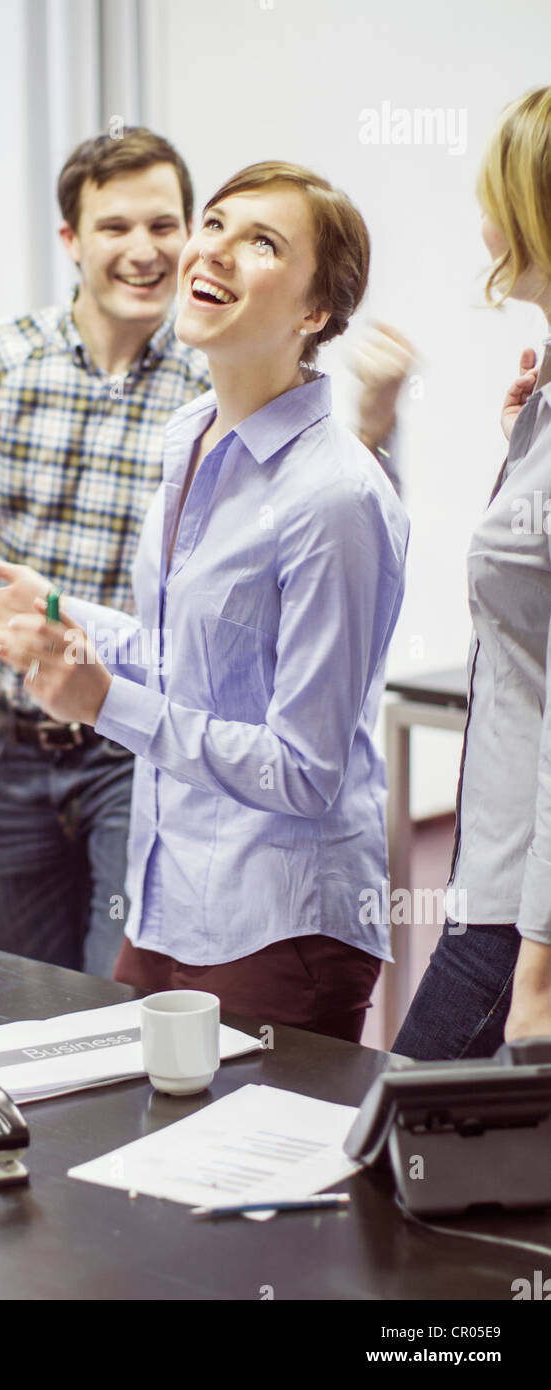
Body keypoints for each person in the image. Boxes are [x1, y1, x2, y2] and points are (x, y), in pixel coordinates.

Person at [0, 127, 409, 981]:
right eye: (116, 228)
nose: (150, 251)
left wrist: (376, 426)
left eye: (168, 225)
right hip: (26, 749)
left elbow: (333, 526)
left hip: (139, 752)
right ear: (71, 241)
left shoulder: (221, 375)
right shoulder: (7, 372)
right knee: (19, 1004)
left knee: (116, 1025)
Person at [0, 160, 410, 1042]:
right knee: (119, 1150)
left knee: (251, 1175)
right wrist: (64, 613)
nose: (215, 251)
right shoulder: (189, 437)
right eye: (217, 223)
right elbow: (190, 657)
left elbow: (307, 771)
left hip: (282, 919)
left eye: (263, 243)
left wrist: (104, 704)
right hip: (168, 896)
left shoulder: (336, 498)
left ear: (316, 313)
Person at [392, 88, 551, 1059]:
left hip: (515, 919)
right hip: (493, 890)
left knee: (392, 1181)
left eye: (495, 198)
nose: (482, 225)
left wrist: (535, 969)